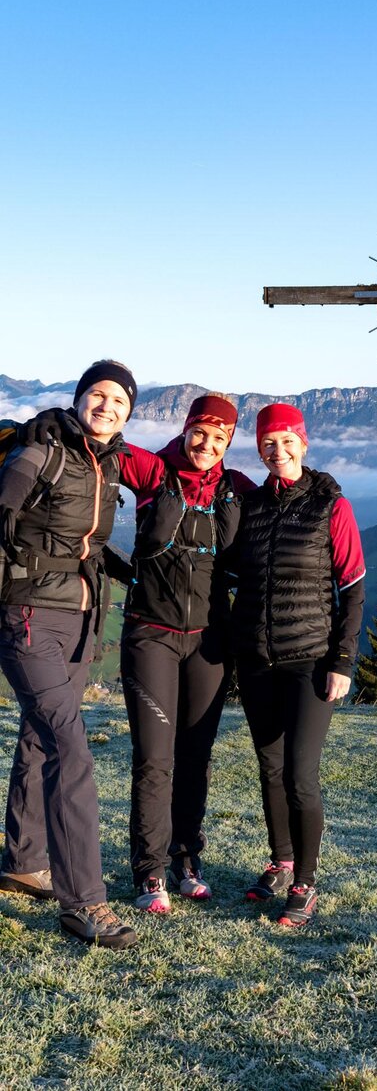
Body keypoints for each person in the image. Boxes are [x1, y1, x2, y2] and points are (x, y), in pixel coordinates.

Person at [0, 361, 139, 948]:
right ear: (80, 397)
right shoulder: (41, 450)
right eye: (98, 394)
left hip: (82, 619)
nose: (106, 406)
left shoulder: (105, 462)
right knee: (69, 749)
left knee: (40, 736)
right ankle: (82, 903)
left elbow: (91, 546)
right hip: (27, 613)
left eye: (119, 401)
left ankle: (24, 861)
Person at [118, 393, 255, 913]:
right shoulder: (154, 471)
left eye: (220, 438)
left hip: (210, 642)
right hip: (150, 634)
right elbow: (103, 444)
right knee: (155, 760)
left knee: (196, 758)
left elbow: (289, 498)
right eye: (201, 432)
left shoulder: (235, 489)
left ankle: (186, 860)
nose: (207, 444)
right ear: (186, 428)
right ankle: (149, 872)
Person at [232, 402, 365, 928]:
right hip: (259, 660)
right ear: (259, 447)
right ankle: (281, 861)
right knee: (269, 767)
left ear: (304, 444)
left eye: (287, 441)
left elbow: (352, 586)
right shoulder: (252, 505)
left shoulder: (332, 505)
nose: (278, 450)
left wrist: (343, 660)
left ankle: (306, 883)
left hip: (311, 661)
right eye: (268, 442)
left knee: (300, 775)